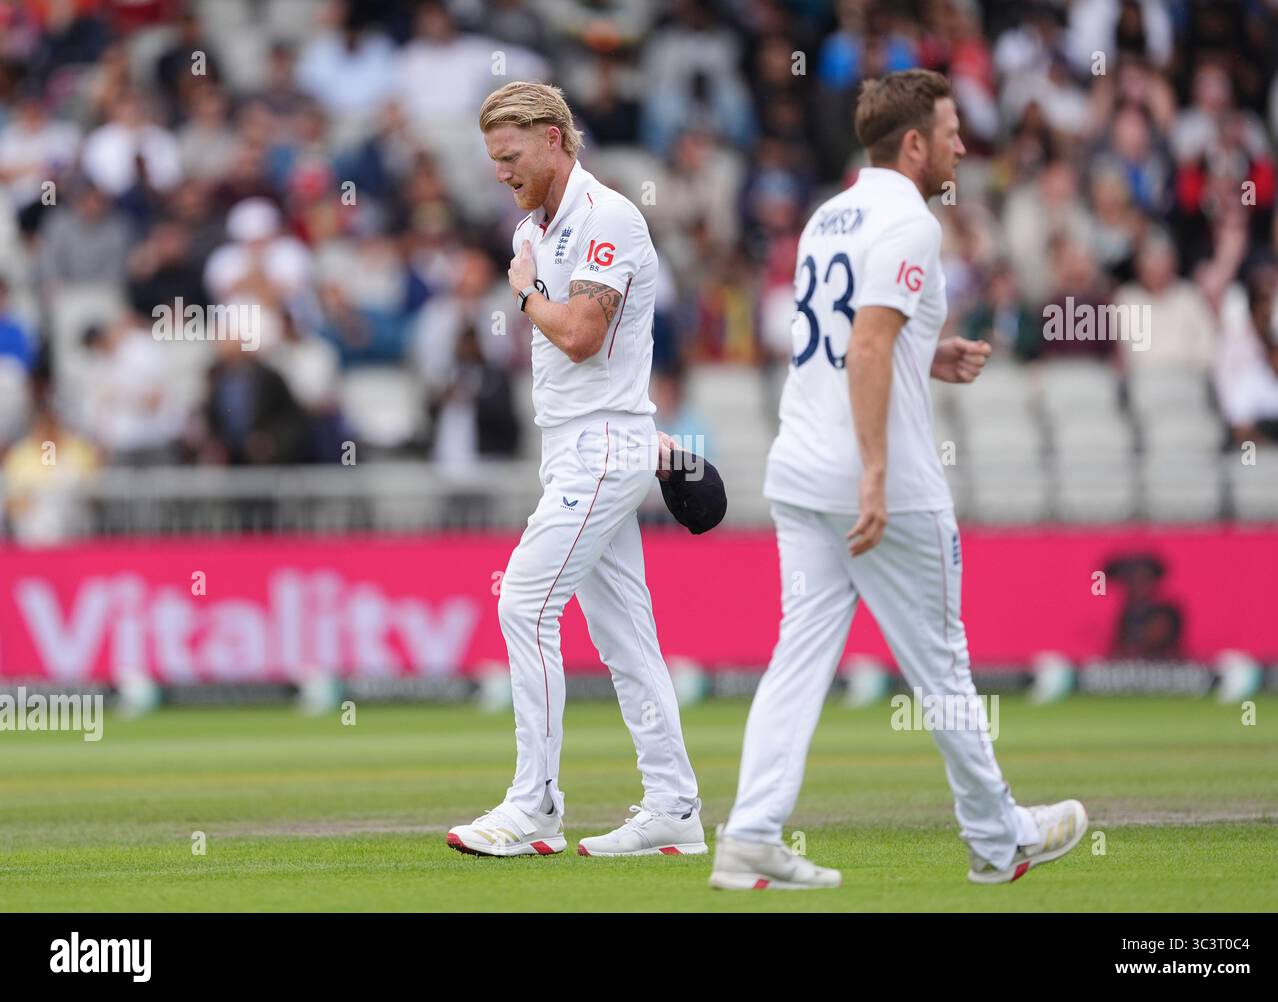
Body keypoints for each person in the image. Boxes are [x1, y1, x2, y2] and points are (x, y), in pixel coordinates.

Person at [710, 70, 1088, 891]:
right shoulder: (912, 223)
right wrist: (877, 475)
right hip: (877, 480)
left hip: (801, 468)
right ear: (913, 142)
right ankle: (997, 838)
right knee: (944, 671)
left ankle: (749, 833)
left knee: (797, 658)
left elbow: (862, 337)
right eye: (951, 132)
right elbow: (870, 347)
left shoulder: (827, 215)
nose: (962, 145)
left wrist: (929, 352)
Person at [446, 82, 704, 858]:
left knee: (524, 605)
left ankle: (535, 807)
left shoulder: (607, 217)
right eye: (493, 159)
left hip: (598, 450)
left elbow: (586, 336)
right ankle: (675, 810)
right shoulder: (541, 226)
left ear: (555, 137)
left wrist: (523, 293)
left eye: (511, 155)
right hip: (581, 444)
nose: (501, 172)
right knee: (627, 640)